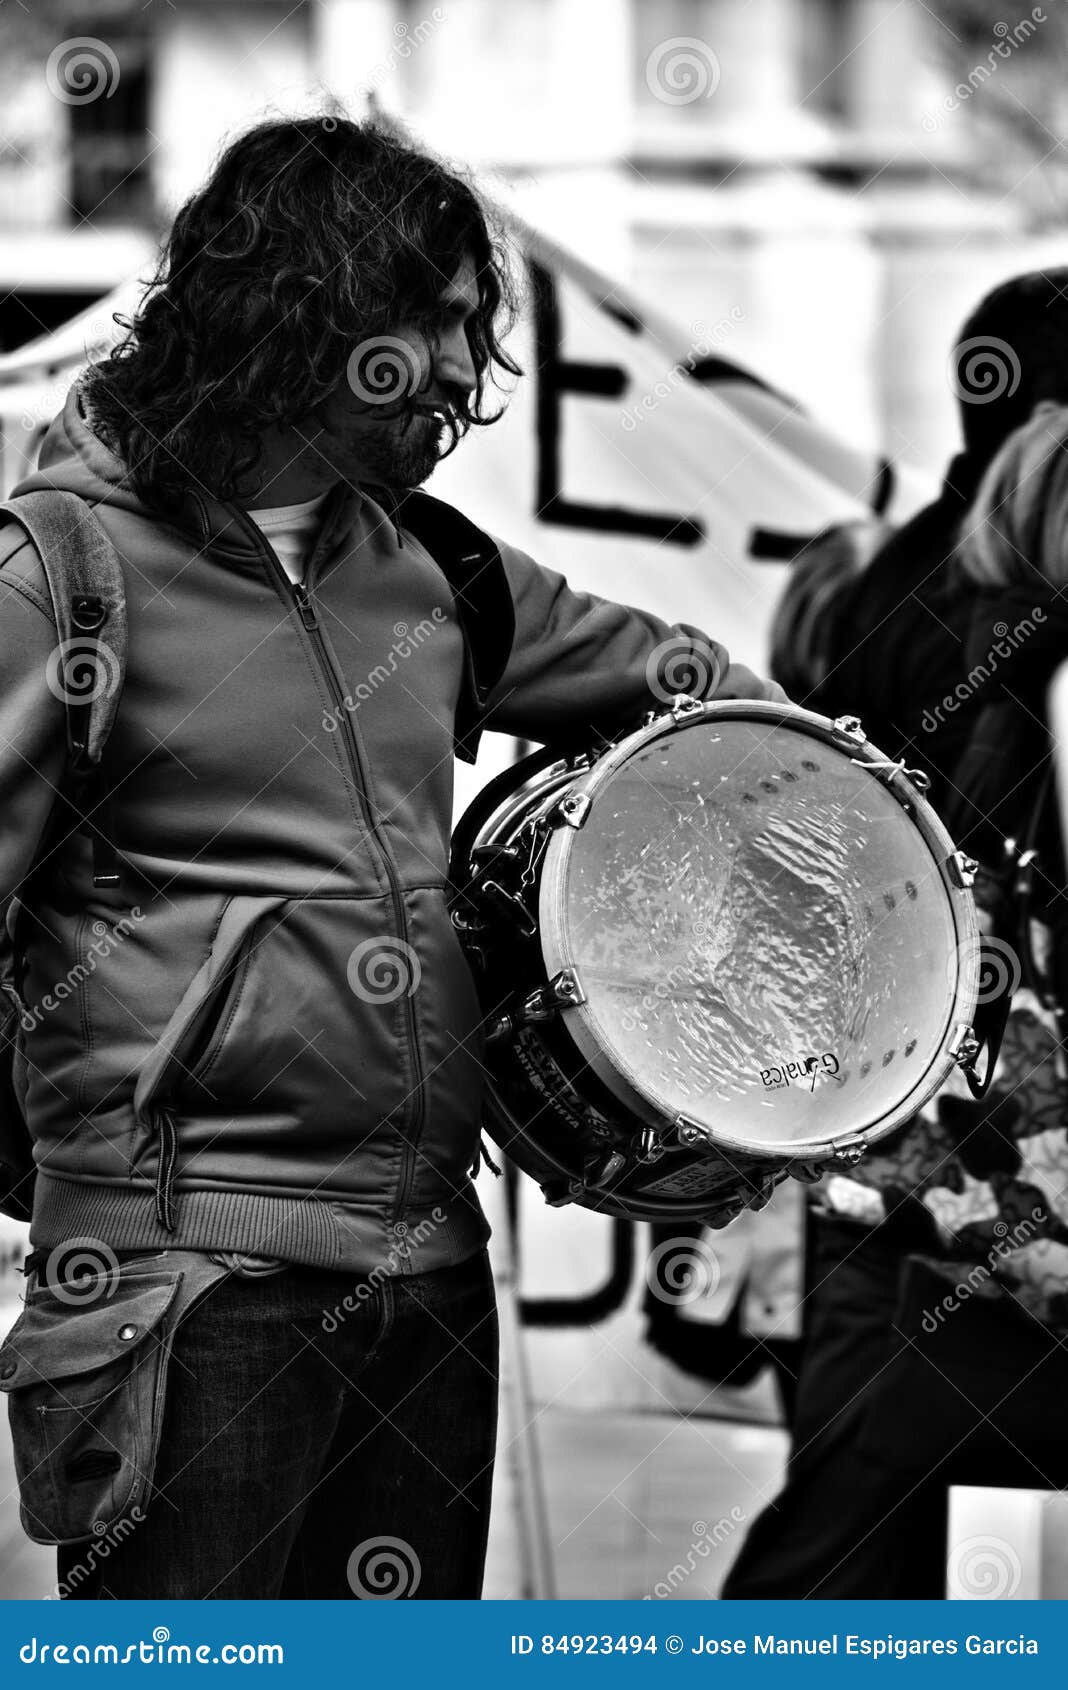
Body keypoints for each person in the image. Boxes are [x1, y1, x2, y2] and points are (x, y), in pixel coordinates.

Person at [0, 116, 781, 1601]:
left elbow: (710, 703)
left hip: (429, 1272)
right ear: (307, 305)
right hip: (184, 1288)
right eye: (437, 322)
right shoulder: (59, 572)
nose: (465, 369)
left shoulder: (441, 568)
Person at [723, 372, 1068, 1599]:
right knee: (867, 1567)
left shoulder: (995, 670)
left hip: (906, 1206)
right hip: (960, 1216)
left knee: (867, 1562)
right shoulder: (1032, 682)